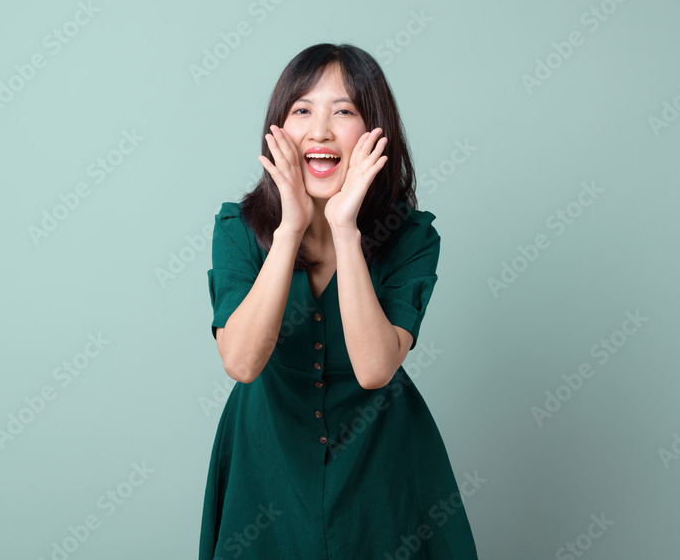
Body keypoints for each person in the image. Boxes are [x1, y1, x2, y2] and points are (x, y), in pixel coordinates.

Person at [199, 43, 478, 559]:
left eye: (344, 111)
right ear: (277, 130)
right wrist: (290, 230)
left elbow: (375, 368)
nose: (321, 130)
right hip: (266, 464)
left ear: (375, 131)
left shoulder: (412, 237)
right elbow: (240, 361)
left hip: (385, 471)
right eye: (302, 109)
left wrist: (344, 229)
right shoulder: (237, 229)